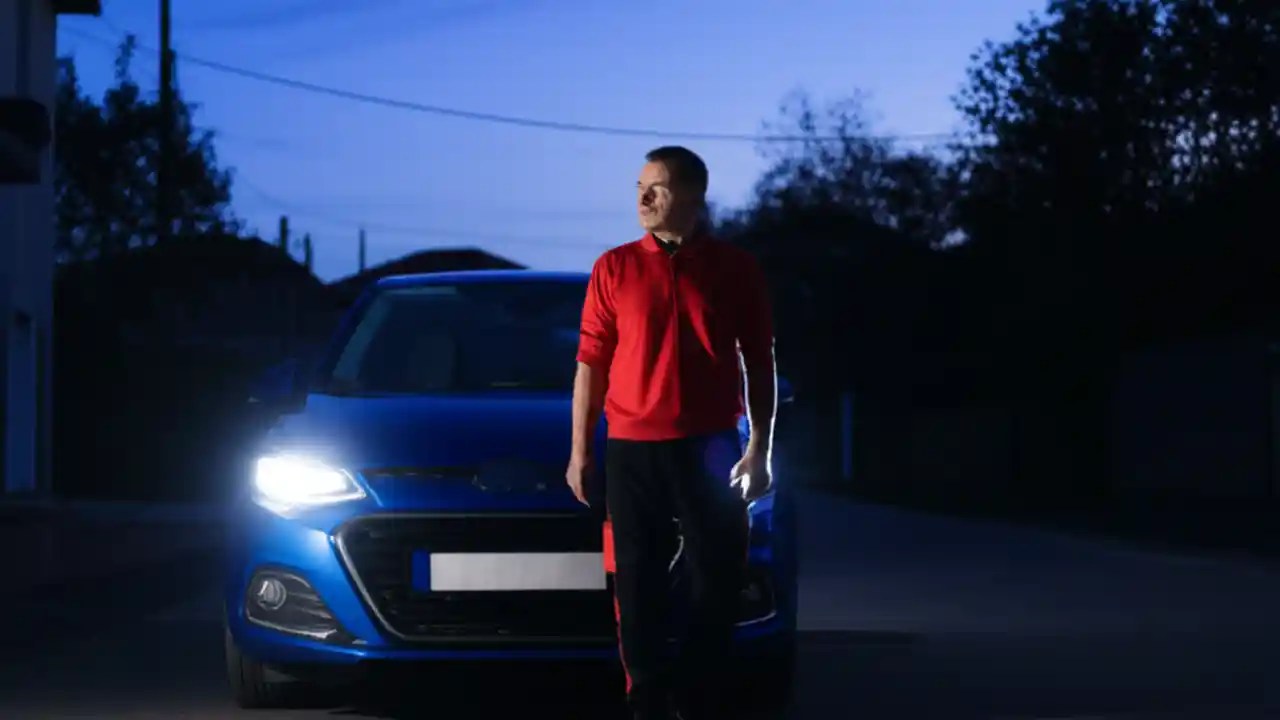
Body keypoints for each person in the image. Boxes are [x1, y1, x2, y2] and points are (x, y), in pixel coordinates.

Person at [565, 146, 777, 719]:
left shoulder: (735, 269)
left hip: (710, 446)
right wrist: (581, 449)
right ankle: (648, 698)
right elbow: (590, 363)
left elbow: (760, 360)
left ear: (691, 196)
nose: (642, 198)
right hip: (632, 449)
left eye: (655, 187)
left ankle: (697, 691)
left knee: (718, 578)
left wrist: (759, 448)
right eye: (638, 186)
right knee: (635, 582)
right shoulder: (614, 268)